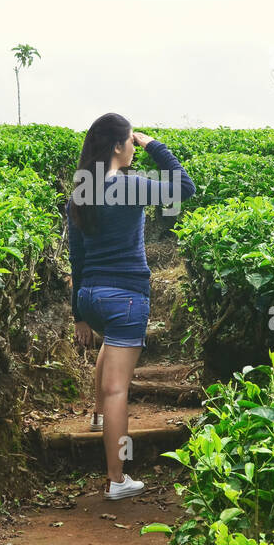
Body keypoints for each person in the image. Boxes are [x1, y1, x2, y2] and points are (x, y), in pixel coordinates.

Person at [64, 113, 196, 500]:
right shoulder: (132, 186)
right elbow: (184, 187)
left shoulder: (81, 190)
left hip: (92, 296)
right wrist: (153, 143)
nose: (133, 149)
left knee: (110, 352)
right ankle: (117, 478)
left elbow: (77, 260)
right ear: (120, 146)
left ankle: (98, 418)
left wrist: (78, 314)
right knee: (119, 387)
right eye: (130, 143)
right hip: (126, 297)